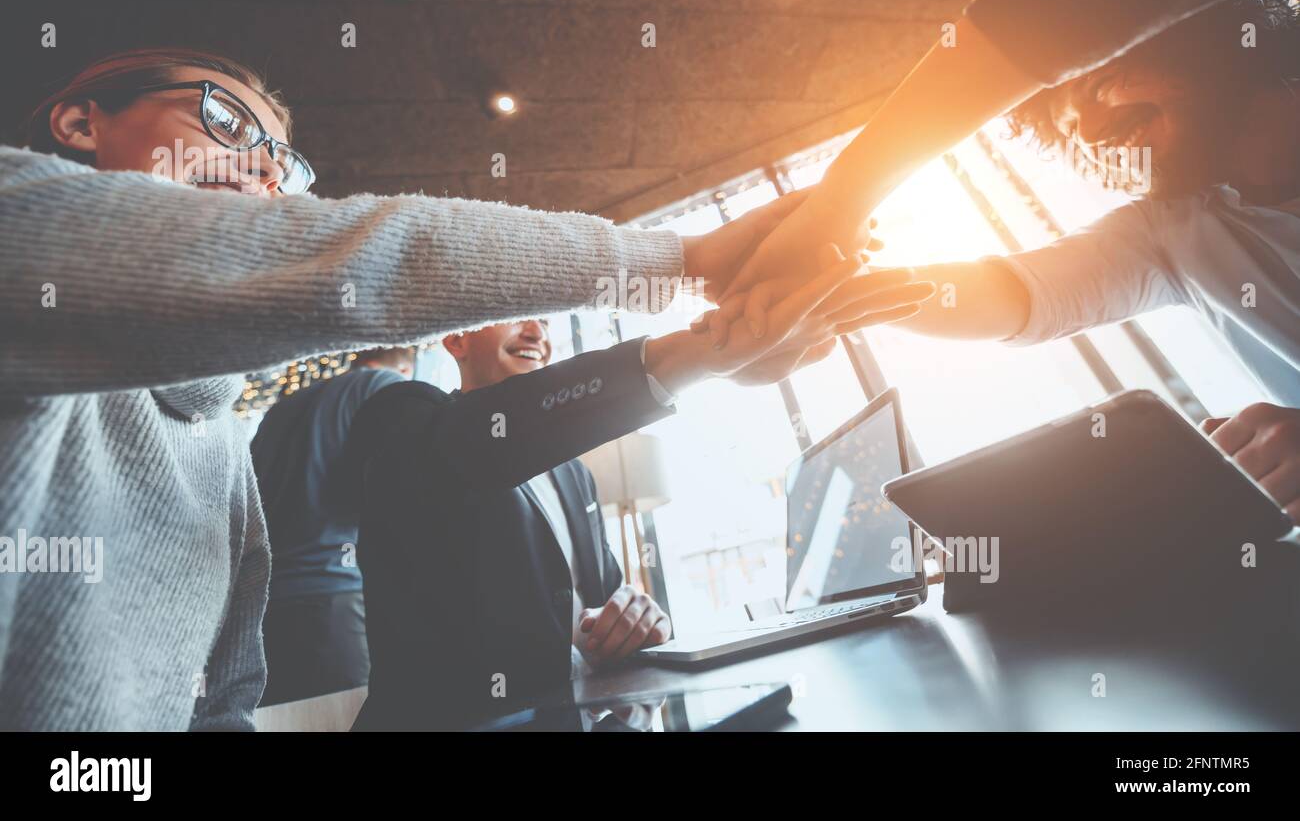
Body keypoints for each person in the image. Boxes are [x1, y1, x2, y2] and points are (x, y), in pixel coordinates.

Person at [0, 47, 928, 730]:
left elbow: (220, 703)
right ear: (81, 120)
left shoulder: (220, 454)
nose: (263, 171)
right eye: (226, 120)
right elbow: (344, 273)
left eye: (285, 162)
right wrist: (683, 265)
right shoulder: (17, 222)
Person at [708, 0, 1300, 519]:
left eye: (1095, 73)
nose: (1091, 132)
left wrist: (837, 204)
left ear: (1197, 5)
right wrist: (830, 293)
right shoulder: (1172, 234)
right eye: (1065, 125)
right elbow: (1019, 294)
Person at [345, 251, 932, 730]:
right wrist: (700, 355)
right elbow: (470, 449)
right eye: (516, 312)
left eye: (545, 320)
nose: (536, 331)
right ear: (457, 340)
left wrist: (639, 620)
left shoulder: (573, 474)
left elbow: (604, 602)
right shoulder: (403, 418)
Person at [252, 346, 415, 706]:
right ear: (404, 368)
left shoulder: (281, 408)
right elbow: (398, 494)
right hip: (334, 600)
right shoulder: (386, 388)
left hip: (266, 609)